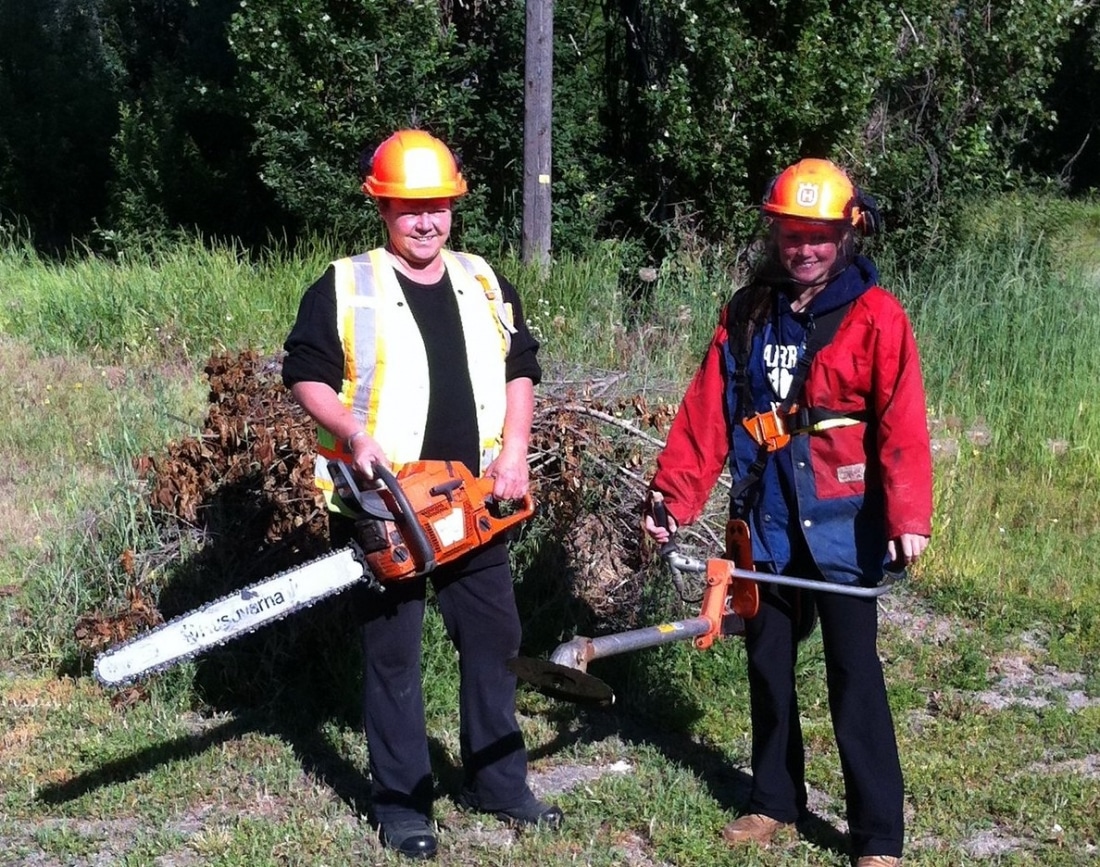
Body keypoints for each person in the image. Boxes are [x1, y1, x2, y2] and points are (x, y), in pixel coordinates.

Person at [642, 158, 932, 867]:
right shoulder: (748, 314)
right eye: (793, 234)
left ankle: (878, 837)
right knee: (767, 663)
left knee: (853, 674)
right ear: (775, 234)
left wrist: (908, 517)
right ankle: (774, 798)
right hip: (765, 519)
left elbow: (902, 421)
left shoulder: (877, 316)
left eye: (819, 236)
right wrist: (673, 497)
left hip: (844, 522)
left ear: (847, 234)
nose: (805, 249)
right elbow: (707, 412)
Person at [282, 129, 562, 861]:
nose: (427, 221)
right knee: (394, 657)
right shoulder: (346, 284)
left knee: (494, 640)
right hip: (387, 504)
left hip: (474, 499)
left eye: (437, 206)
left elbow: (521, 366)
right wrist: (353, 433)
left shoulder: (482, 279)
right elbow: (305, 373)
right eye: (410, 208)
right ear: (383, 208)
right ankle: (404, 806)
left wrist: (516, 453)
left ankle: (499, 782)